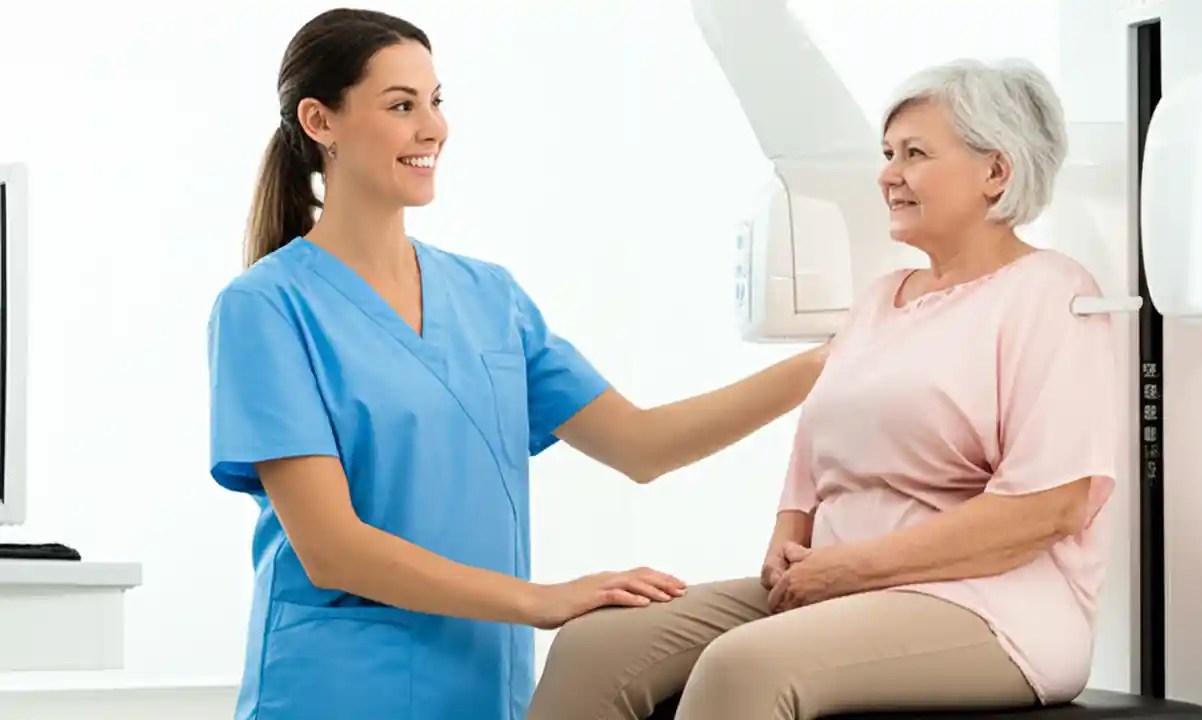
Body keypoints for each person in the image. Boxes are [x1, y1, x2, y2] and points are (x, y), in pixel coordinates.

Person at [205, 9, 827, 720]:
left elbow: (641, 443)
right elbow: (332, 549)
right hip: (338, 687)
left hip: (480, 684)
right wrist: (543, 600)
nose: (431, 127)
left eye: (435, 102)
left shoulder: (488, 298)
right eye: (401, 105)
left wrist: (827, 364)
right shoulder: (266, 308)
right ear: (321, 121)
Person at [529, 58, 1120, 720]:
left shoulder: (1052, 294)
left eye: (915, 154)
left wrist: (853, 568)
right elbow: (814, 459)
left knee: (745, 666)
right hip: (840, 582)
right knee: (595, 646)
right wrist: (791, 536)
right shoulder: (880, 301)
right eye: (888, 153)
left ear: (997, 172)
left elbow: (1047, 508)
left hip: (992, 604)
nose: (888, 174)